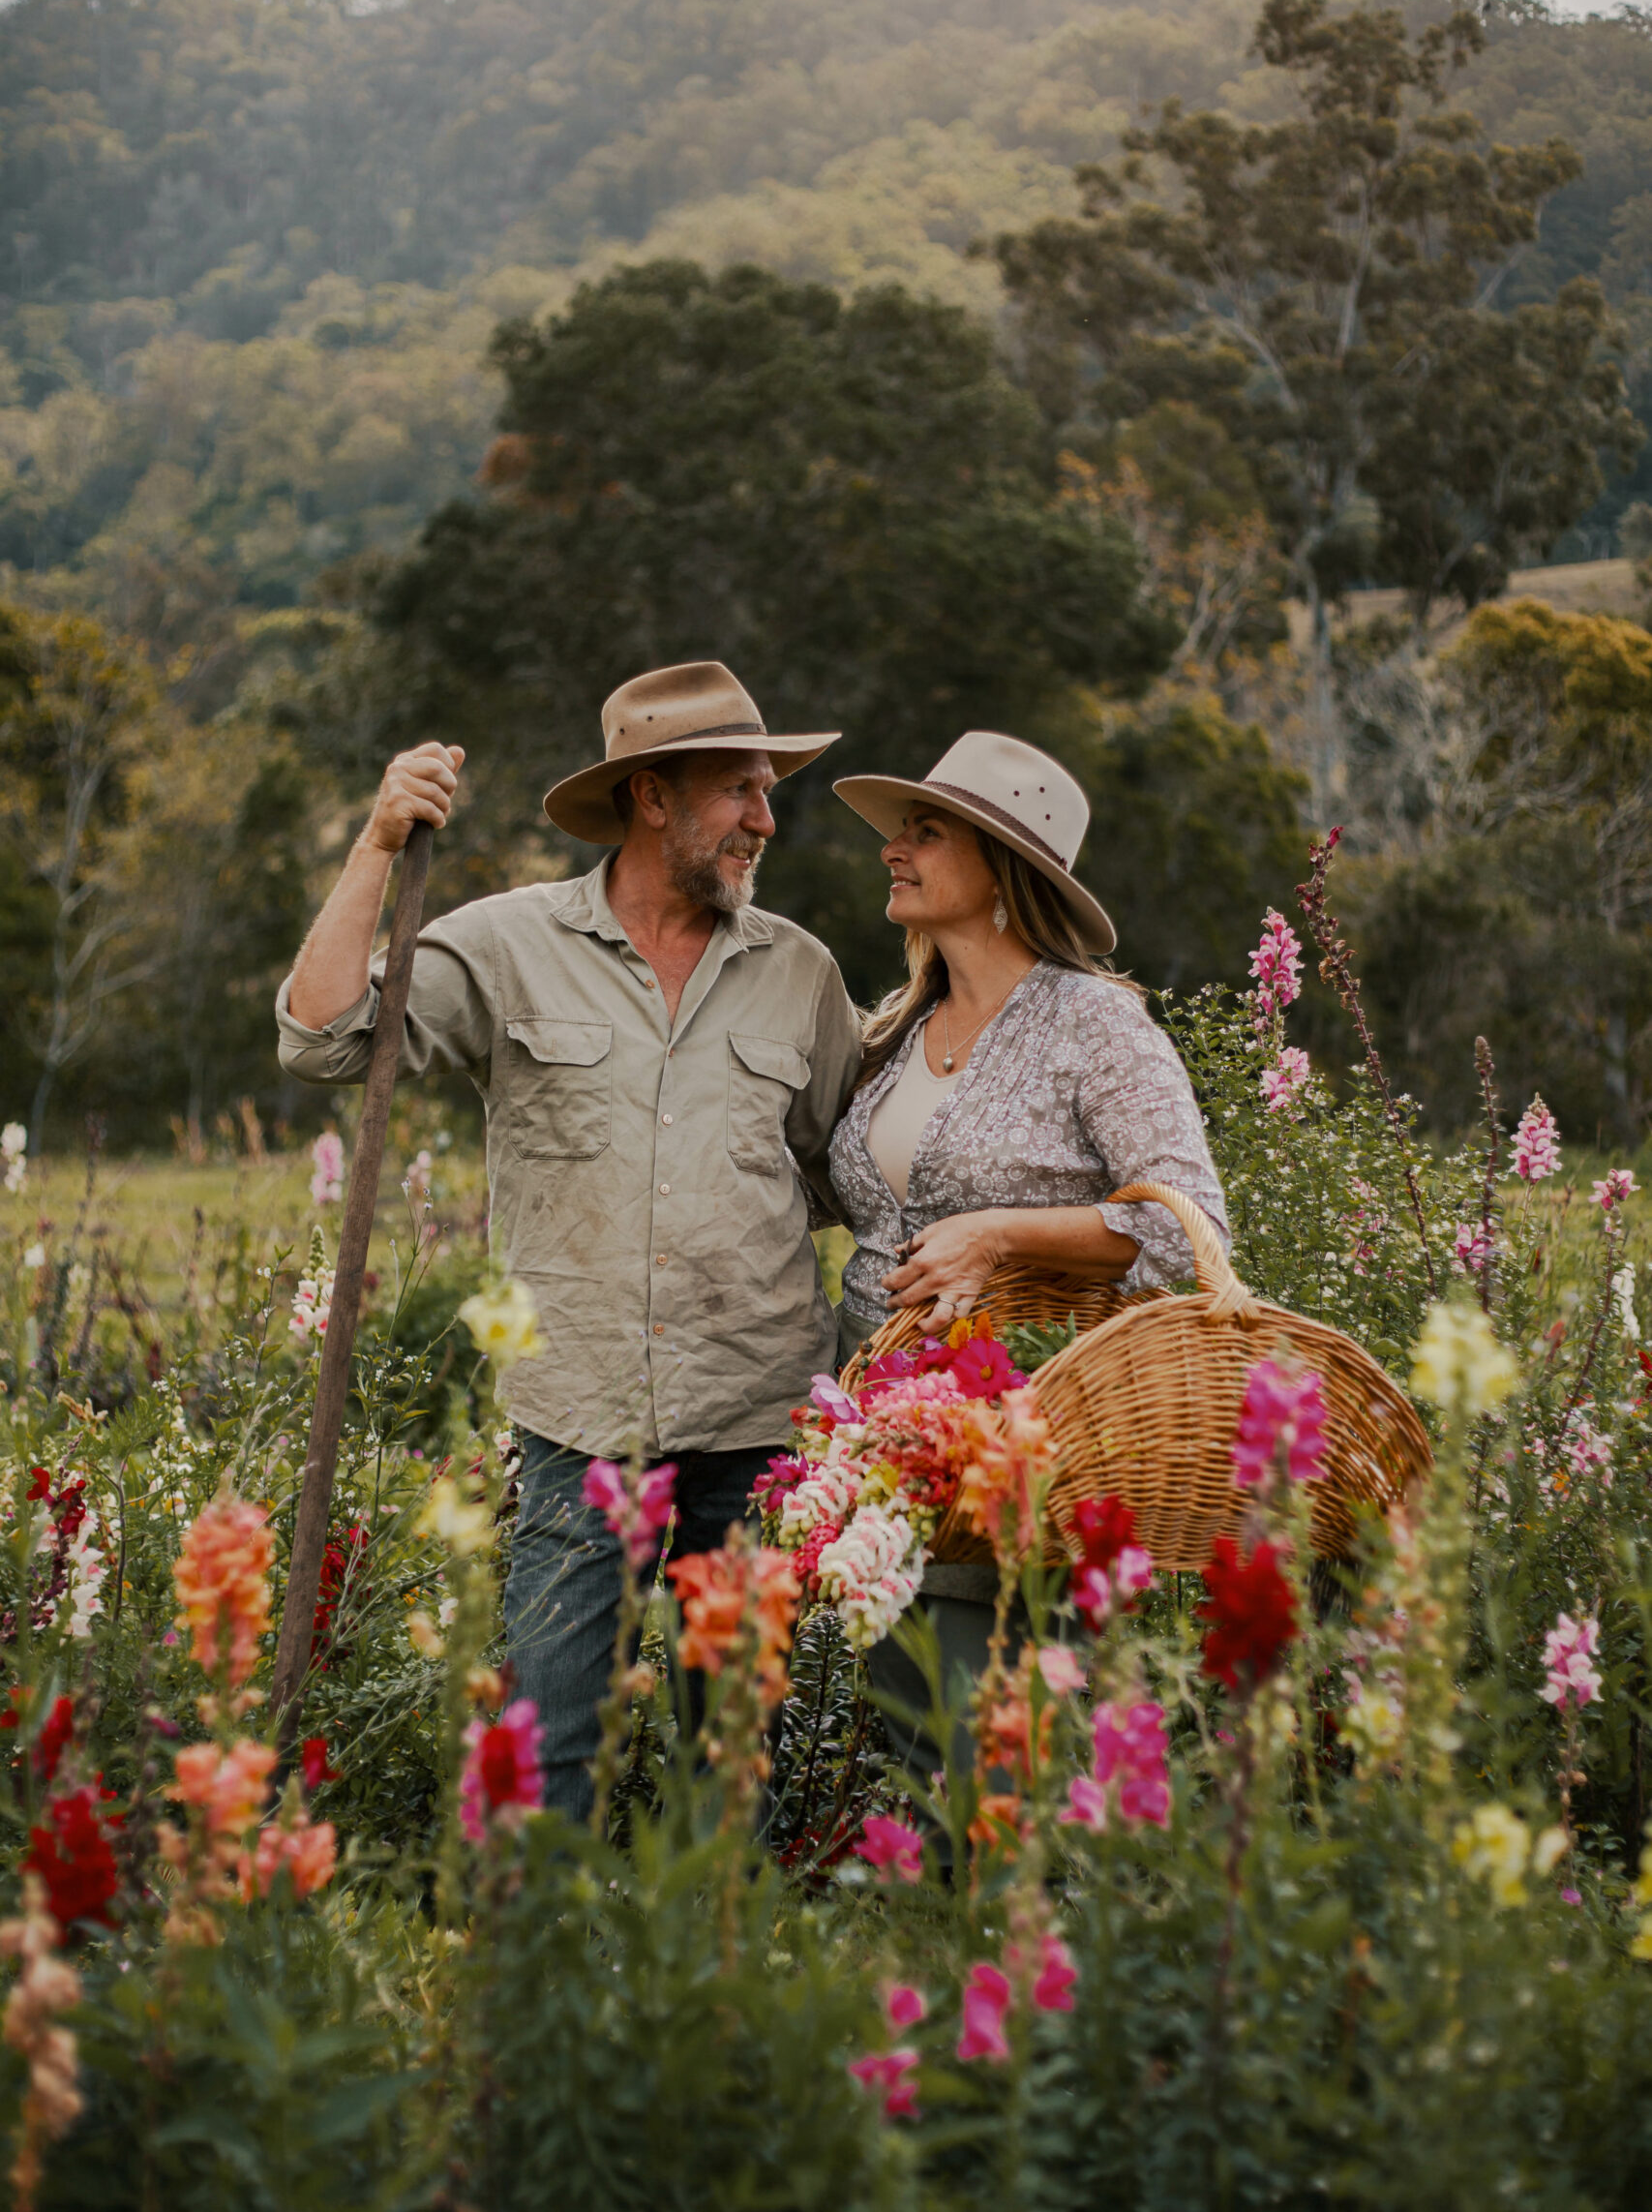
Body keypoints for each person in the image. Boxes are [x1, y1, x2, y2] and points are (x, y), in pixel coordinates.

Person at [277, 661, 863, 1817]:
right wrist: (379, 843)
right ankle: (543, 1932)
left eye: (768, 789)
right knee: (546, 1765)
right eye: (739, 790)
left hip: (757, 1427)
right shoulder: (508, 947)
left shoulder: (800, 973)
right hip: (577, 1423)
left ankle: (712, 1939)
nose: (765, 818)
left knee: (737, 1775)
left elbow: (844, 1167)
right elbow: (324, 1037)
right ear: (651, 795)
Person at [826, 729, 1229, 1762]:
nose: (892, 849)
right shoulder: (894, 1031)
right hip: (874, 1446)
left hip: (1016, 1438)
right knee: (907, 1747)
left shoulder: (1095, 1025)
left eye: (927, 832)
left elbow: (1186, 1221)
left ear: (1003, 868)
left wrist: (999, 1235)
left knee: (994, 1749)